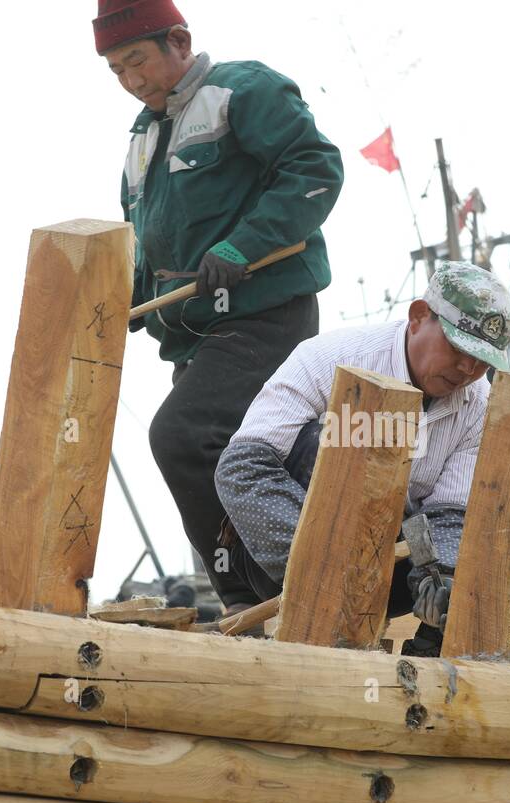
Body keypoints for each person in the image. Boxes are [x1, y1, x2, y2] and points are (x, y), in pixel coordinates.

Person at [94, 0, 344, 617]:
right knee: (245, 456)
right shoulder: (141, 139)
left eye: (137, 62)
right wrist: (125, 304)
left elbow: (316, 168)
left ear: (179, 40)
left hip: (262, 316)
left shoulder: (243, 90)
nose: (131, 81)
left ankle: (250, 600)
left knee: (183, 436)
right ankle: (290, 593)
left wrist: (245, 245)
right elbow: (147, 243)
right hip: (194, 337)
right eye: (116, 71)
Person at [214, 262, 510, 657]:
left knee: (488, 528)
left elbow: (449, 515)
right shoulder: (330, 357)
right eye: (458, 349)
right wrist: (318, 564)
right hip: (277, 558)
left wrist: (440, 577)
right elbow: (242, 468)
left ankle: (428, 662)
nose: (468, 369)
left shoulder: (478, 406)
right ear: (417, 317)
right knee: (326, 437)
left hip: (386, 569)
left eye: (482, 361)